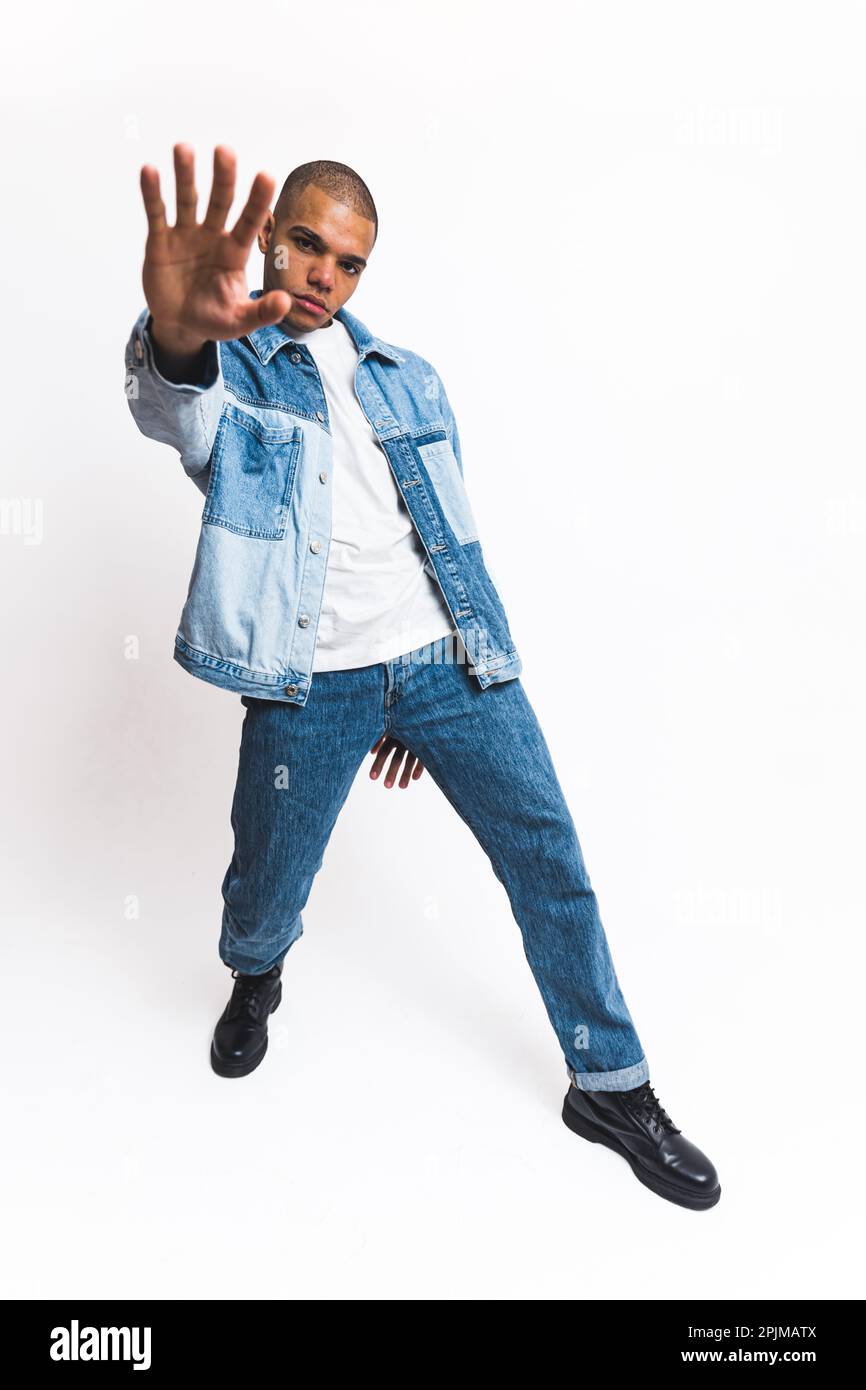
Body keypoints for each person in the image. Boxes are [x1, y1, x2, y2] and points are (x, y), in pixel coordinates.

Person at [124, 143, 721, 1211]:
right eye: (305, 243)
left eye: (347, 262)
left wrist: (428, 671)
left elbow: (439, 532)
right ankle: (254, 976)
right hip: (310, 682)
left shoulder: (407, 376)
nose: (322, 275)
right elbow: (179, 414)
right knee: (265, 881)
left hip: (445, 664)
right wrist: (173, 340)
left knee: (549, 855)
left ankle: (610, 1084)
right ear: (269, 238)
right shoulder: (234, 364)